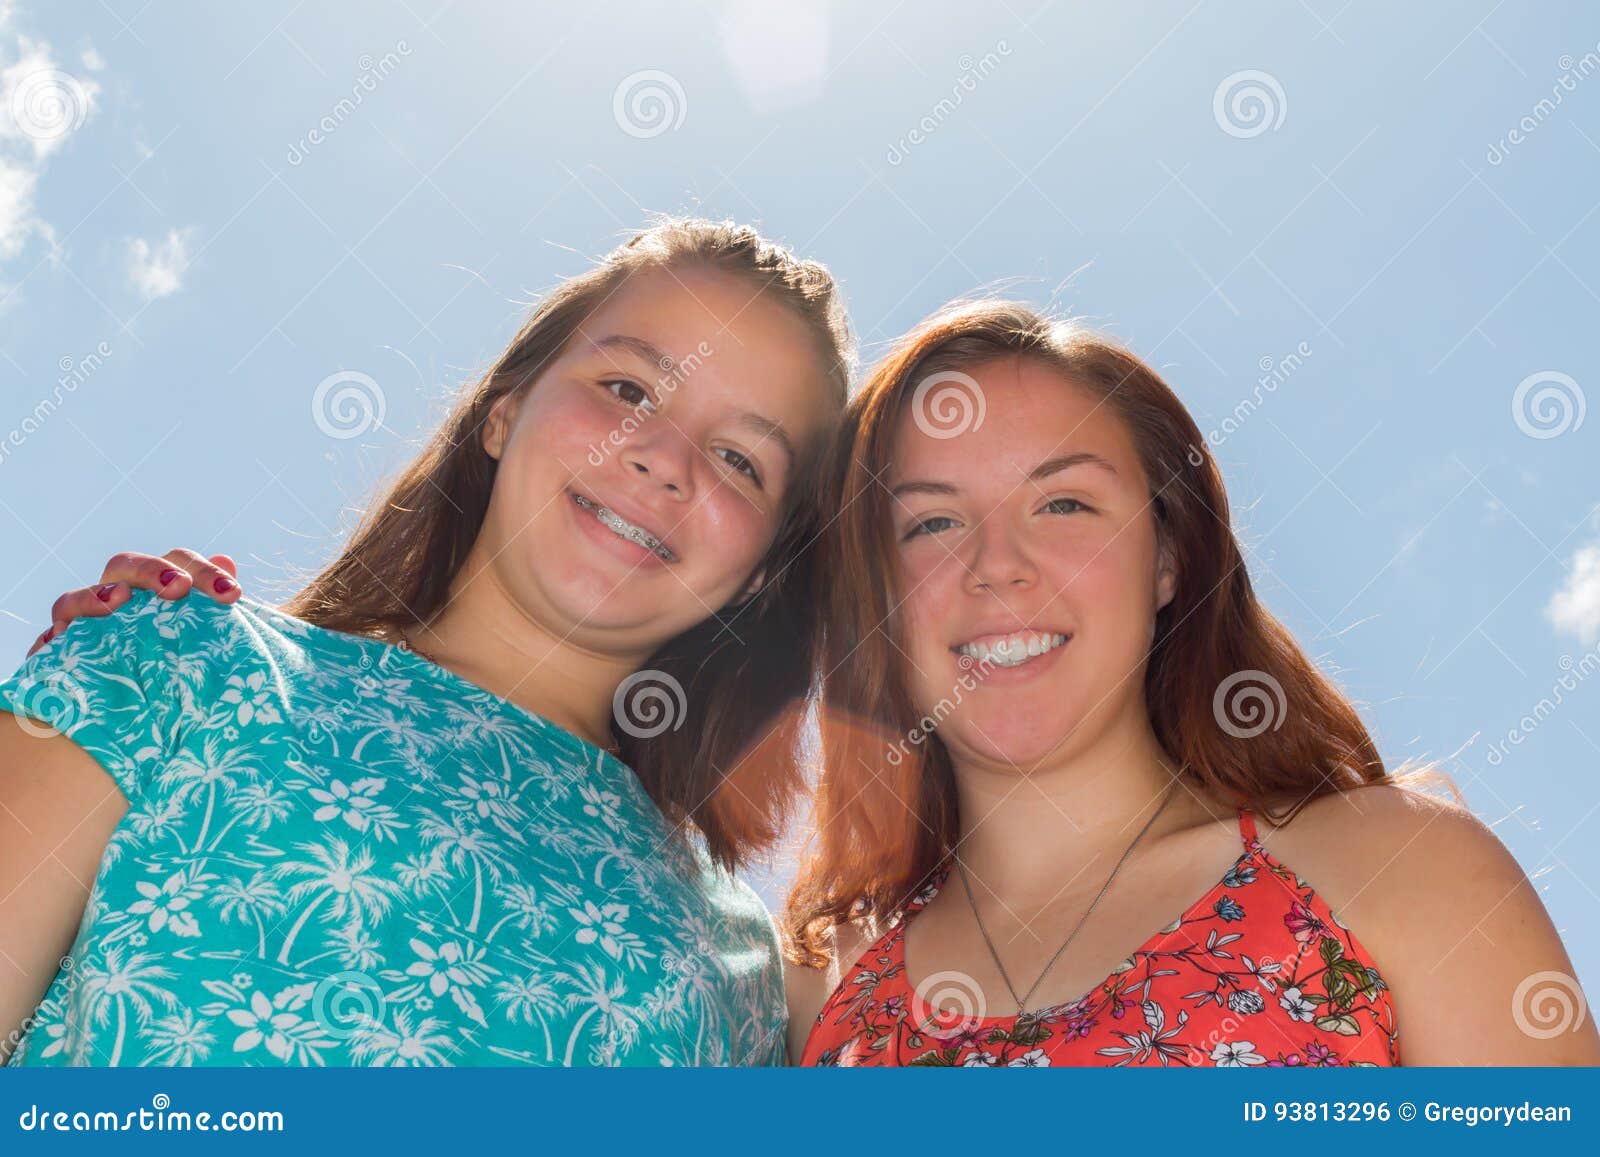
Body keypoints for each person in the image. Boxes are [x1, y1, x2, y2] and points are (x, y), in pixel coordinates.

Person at [0, 217, 851, 1067]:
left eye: (741, 460)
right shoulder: (175, 656)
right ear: (503, 410)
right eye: (629, 391)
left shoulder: (746, 972)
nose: (669, 460)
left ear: (763, 567)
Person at [783, 300, 1600, 1067]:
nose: (997, 566)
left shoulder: (1405, 870)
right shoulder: (816, 996)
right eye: (932, 522)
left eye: (1064, 503)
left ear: (1168, 560)